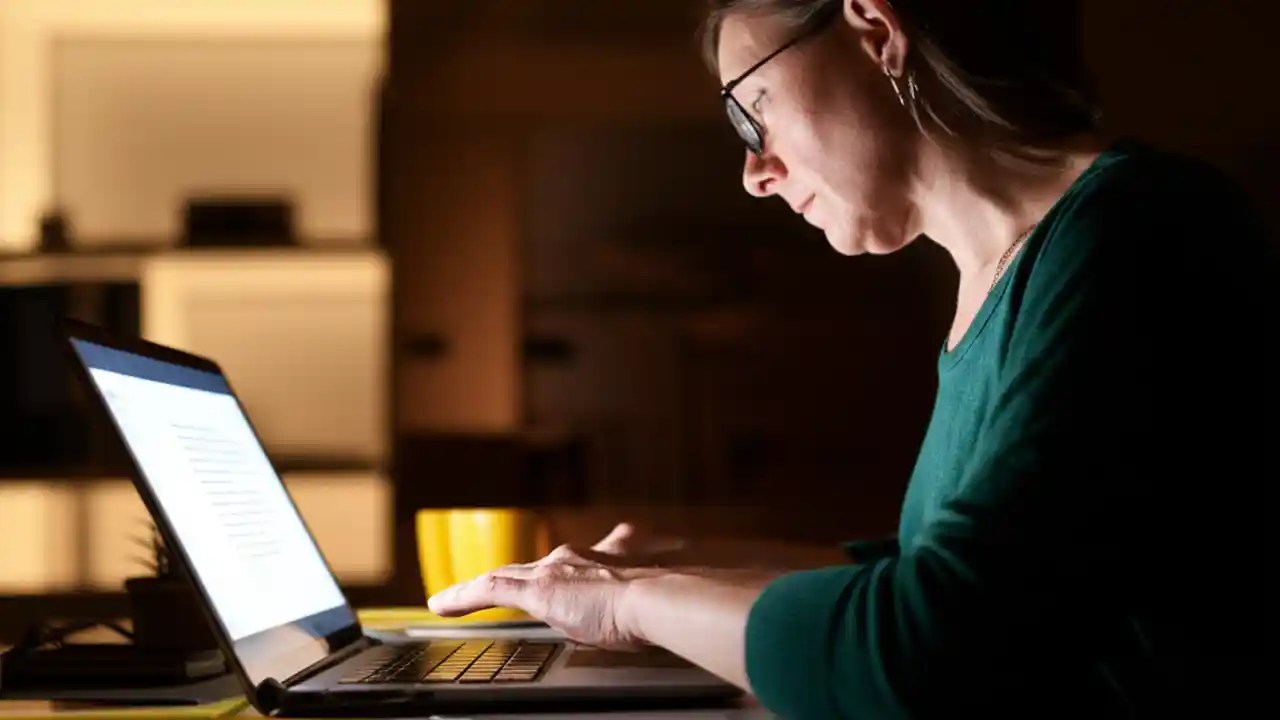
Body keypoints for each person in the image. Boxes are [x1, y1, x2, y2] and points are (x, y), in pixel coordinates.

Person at [428, 0, 1275, 715]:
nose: (754, 171)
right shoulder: (1010, 271)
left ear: (874, 28)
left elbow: (930, 649)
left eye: (749, 109)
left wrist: (630, 603)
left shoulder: (1137, 233)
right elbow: (946, 573)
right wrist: (683, 564)